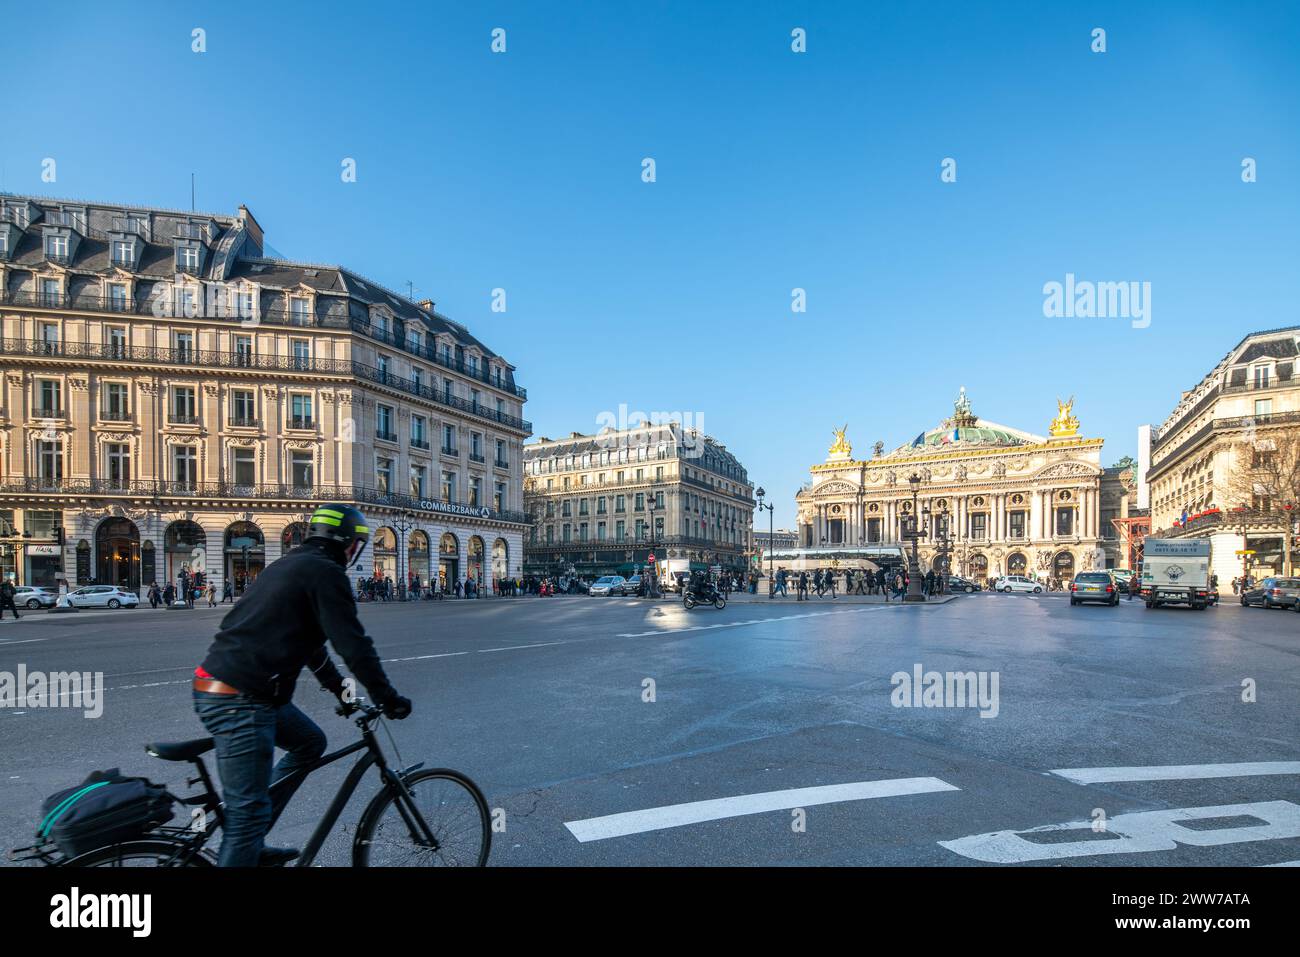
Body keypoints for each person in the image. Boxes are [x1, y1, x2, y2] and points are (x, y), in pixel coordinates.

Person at [192, 504, 411, 868]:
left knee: (309, 743)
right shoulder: (326, 573)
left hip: (233, 687)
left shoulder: (288, 565)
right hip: (240, 697)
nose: (356, 551)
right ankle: (248, 841)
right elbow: (353, 645)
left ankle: (253, 845)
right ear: (346, 543)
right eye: (357, 543)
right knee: (246, 816)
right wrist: (386, 698)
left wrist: (343, 692)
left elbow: (311, 646)